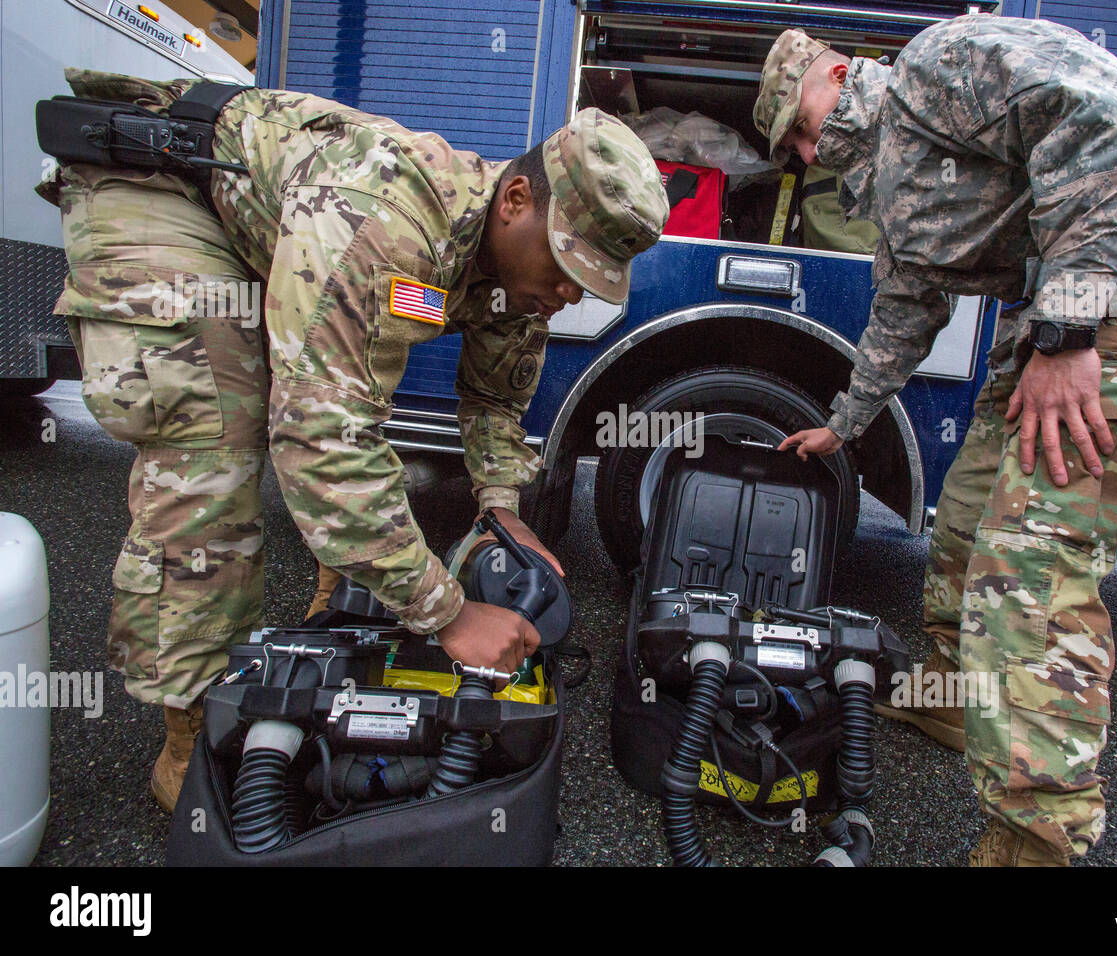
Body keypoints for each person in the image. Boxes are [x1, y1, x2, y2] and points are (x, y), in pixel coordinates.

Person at [37, 70, 669, 811]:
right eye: (565, 267)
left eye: (588, 284)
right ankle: (193, 740)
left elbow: (495, 398)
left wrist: (502, 507)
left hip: (264, 217)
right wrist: (446, 612)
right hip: (163, 188)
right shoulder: (386, 222)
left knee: (346, 412)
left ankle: (337, 605)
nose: (569, 293)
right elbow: (318, 437)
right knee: (213, 441)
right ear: (516, 201)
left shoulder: (521, 274)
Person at [754, 15, 1117, 865]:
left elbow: (1116, 116)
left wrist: (1066, 336)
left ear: (838, 75)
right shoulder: (895, 182)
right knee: (960, 515)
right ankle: (956, 694)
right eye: (793, 151)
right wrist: (842, 424)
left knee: (1027, 571)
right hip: (1057, 320)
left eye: (802, 129)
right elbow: (904, 311)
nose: (807, 155)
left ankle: (1036, 840)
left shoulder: (935, 66)